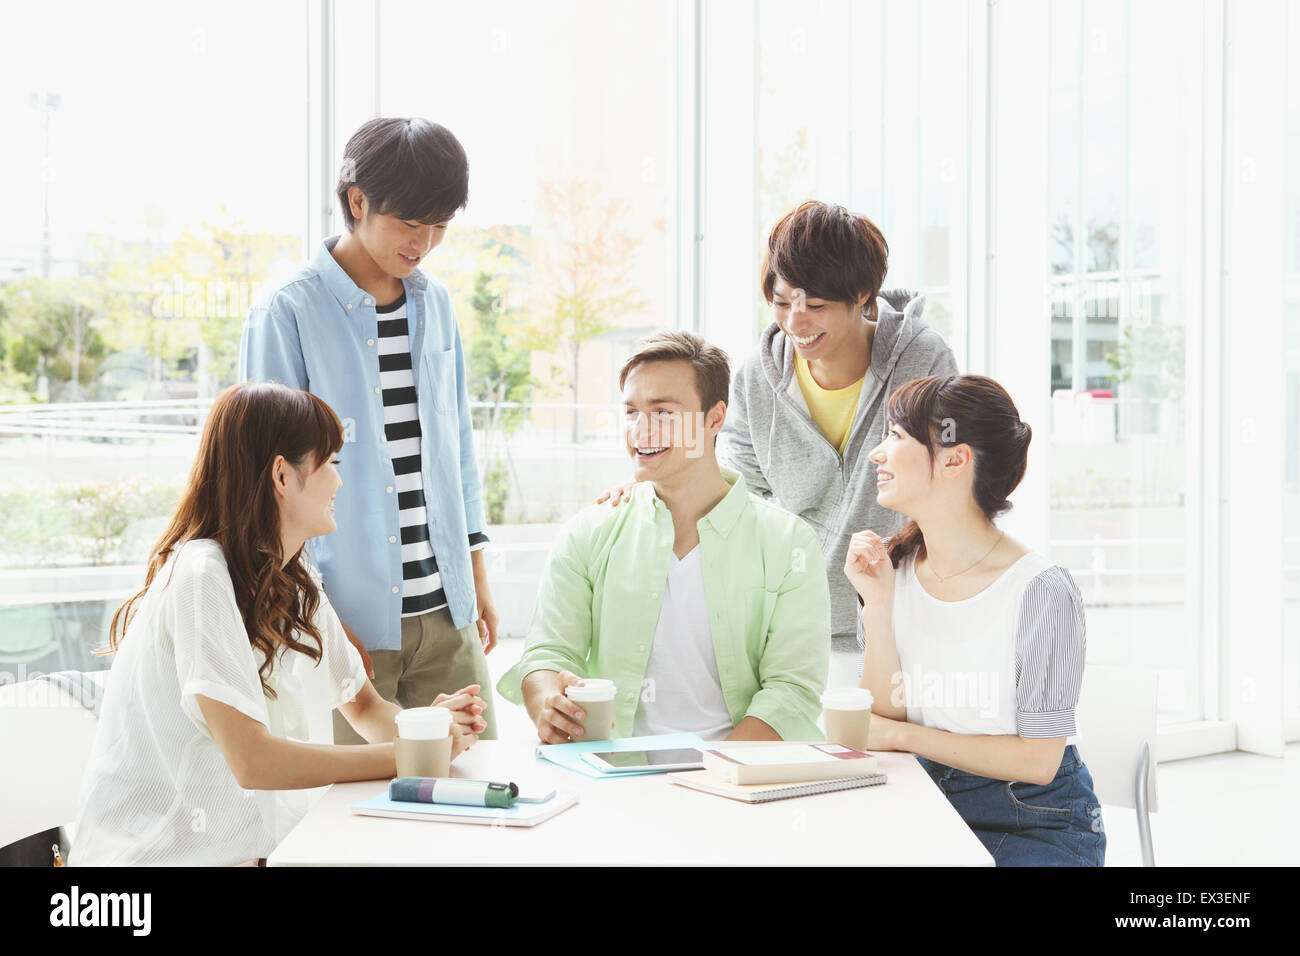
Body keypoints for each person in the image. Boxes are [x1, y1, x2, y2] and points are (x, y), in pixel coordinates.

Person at [69, 382, 485, 866]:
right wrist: (412, 756)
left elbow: (366, 708)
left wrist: (426, 727)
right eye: (330, 463)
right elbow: (252, 761)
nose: (339, 482)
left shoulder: (293, 574)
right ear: (282, 476)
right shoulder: (201, 576)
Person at [601, 201, 958, 686]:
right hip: (795, 623)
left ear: (863, 295)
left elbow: (947, 485)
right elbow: (736, 492)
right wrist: (649, 488)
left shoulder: (922, 359)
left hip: (903, 618)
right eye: (782, 302)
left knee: (897, 756)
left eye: (816, 306)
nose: (796, 323)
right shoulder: (755, 379)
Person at [239, 117, 500, 745]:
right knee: (357, 823)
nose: (426, 242)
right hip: (343, 621)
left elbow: (455, 451)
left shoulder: (433, 305)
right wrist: (318, 618)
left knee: (478, 797)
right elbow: (266, 488)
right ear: (358, 202)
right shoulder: (287, 312)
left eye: (440, 225)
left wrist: (477, 583)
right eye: (411, 223)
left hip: (447, 616)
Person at [498, 330, 831, 744]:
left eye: (663, 413)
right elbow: (547, 653)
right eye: (632, 412)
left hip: (738, 779)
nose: (641, 430)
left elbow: (792, 689)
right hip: (615, 775)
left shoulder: (788, 543)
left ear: (715, 418)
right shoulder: (588, 534)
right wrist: (547, 701)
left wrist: (716, 772)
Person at [844, 373, 1105, 866]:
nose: (877, 454)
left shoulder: (1042, 590)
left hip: (1035, 818)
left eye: (895, 437)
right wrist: (877, 608)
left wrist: (903, 738)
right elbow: (884, 712)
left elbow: (1038, 760)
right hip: (919, 801)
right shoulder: (891, 572)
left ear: (954, 459)